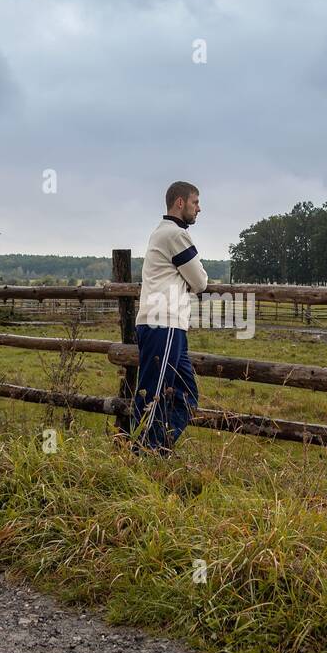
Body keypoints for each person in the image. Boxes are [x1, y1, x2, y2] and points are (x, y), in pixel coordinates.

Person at [131, 181, 208, 453]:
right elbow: (200, 281)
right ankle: (138, 453)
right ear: (180, 202)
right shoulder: (175, 235)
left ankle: (156, 448)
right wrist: (187, 281)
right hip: (162, 324)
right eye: (195, 202)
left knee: (186, 395)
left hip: (171, 326)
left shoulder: (164, 234)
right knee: (151, 393)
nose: (199, 208)